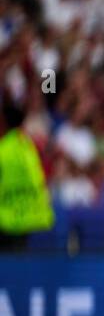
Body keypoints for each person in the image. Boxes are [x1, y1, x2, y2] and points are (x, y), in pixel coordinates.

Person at [0, 100, 55, 252]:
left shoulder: (3, 150)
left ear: (3, 122)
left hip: (7, 222)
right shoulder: (28, 147)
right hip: (31, 219)